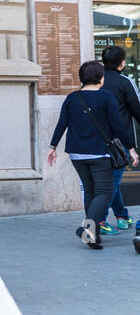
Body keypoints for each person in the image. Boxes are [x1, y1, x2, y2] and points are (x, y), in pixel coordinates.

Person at [48, 60, 140, 250]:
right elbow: (117, 126)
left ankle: (93, 234)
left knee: (90, 191)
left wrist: (52, 146)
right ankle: (88, 230)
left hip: (76, 154)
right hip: (99, 153)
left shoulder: (72, 98)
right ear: (101, 78)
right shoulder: (106, 97)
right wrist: (130, 147)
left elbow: (61, 124)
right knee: (105, 192)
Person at [99, 45, 140, 235]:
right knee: (113, 182)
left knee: (111, 180)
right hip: (120, 141)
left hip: (97, 139)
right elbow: (137, 108)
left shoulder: (95, 81)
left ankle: (122, 216)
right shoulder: (125, 81)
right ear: (122, 63)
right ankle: (97, 220)